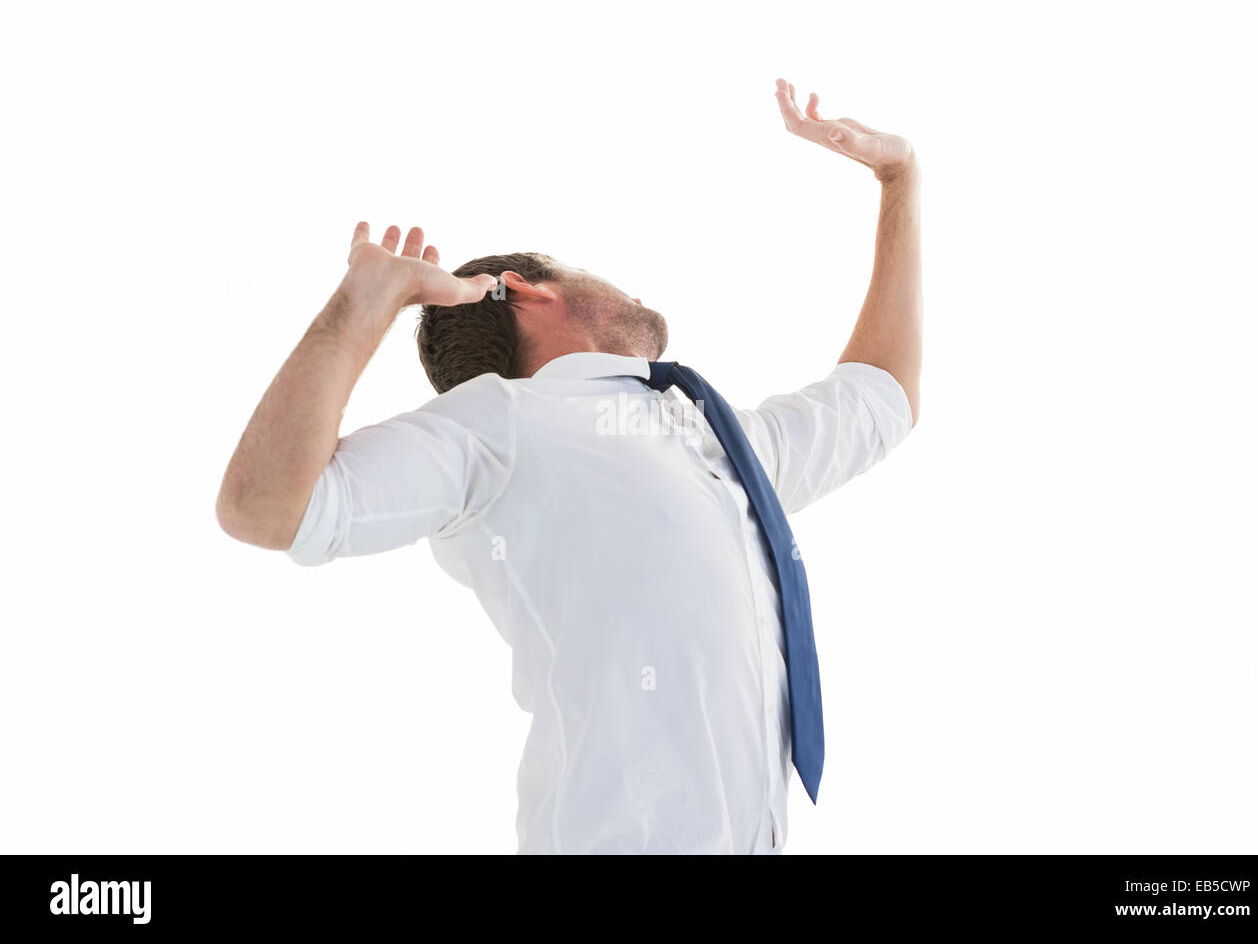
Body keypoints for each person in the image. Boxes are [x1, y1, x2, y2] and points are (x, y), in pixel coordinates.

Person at [216, 79, 922, 854]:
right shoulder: (503, 422)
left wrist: (900, 178)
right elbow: (262, 505)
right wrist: (364, 301)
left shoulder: (719, 447)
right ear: (524, 290)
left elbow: (879, 398)